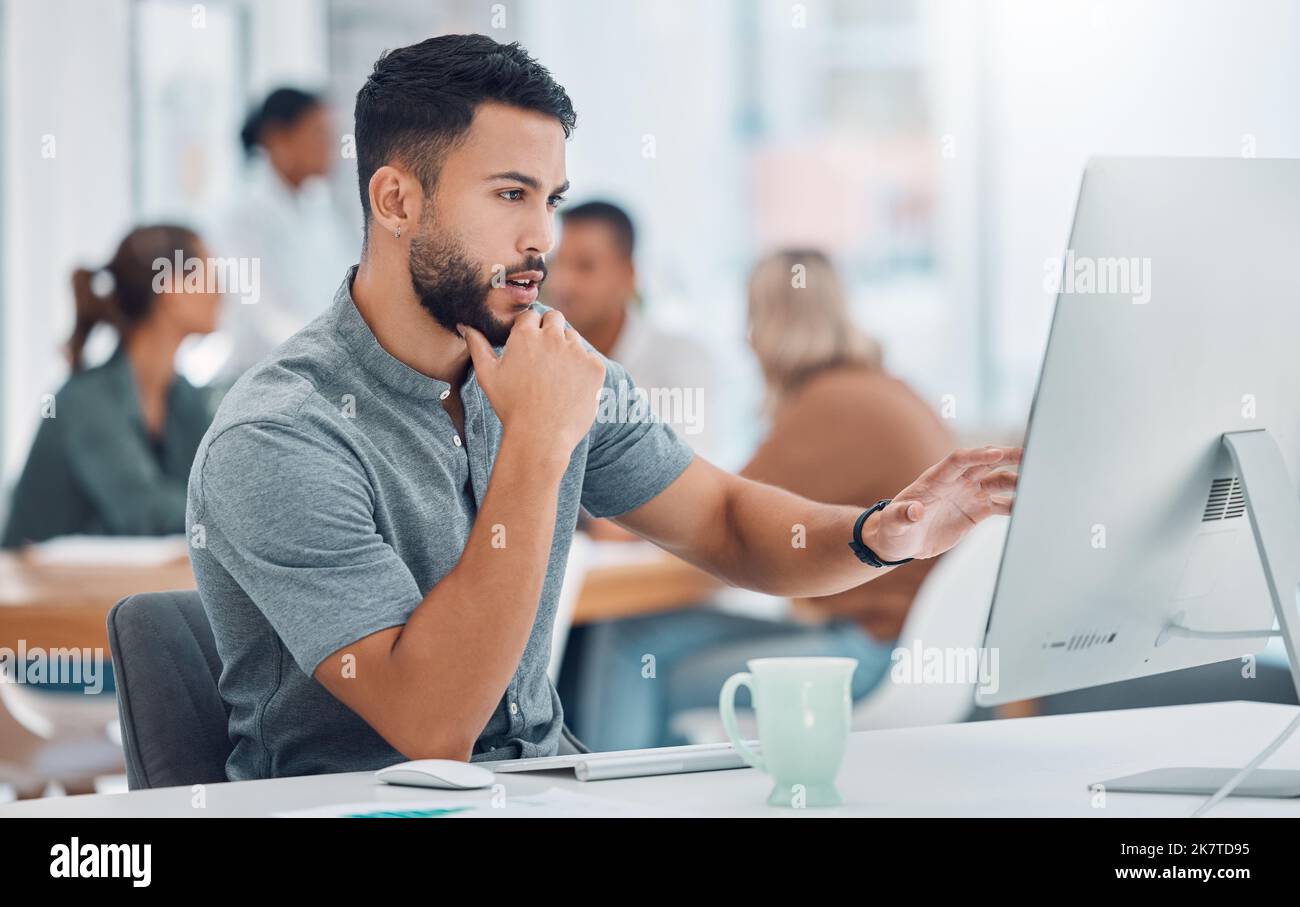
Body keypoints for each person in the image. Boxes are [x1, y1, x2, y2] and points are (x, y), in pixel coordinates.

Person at [186, 34, 1019, 781]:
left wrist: (878, 532)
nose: (542, 237)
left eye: (551, 198)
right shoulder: (281, 434)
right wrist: (539, 442)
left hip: (547, 789)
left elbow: (724, 520)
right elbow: (432, 725)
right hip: (361, 806)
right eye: (511, 195)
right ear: (397, 201)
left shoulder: (555, 366)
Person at [562, 250, 957, 751]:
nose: (744, 338)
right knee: (636, 637)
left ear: (769, 324)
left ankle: (610, 802)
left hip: (869, 654)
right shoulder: (882, 390)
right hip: (902, 646)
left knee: (631, 648)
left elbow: (707, 517)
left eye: (750, 318)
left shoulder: (828, 404)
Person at [2, 225, 221, 549]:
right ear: (172, 288)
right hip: (37, 594)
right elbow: (145, 512)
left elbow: (209, 489)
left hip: (116, 589)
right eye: (210, 273)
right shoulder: (83, 401)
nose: (222, 290)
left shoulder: (184, 397)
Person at [544, 200, 717, 459]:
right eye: (558, 264)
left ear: (628, 274)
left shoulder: (681, 361)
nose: (563, 283)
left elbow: (686, 470)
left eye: (585, 266)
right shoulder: (539, 359)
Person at [209, 87, 356, 380]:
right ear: (278, 138)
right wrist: (332, 356)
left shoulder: (317, 207)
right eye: (318, 134)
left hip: (318, 367)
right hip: (267, 373)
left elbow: (350, 283)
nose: (331, 148)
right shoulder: (244, 212)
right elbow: (261, 311)